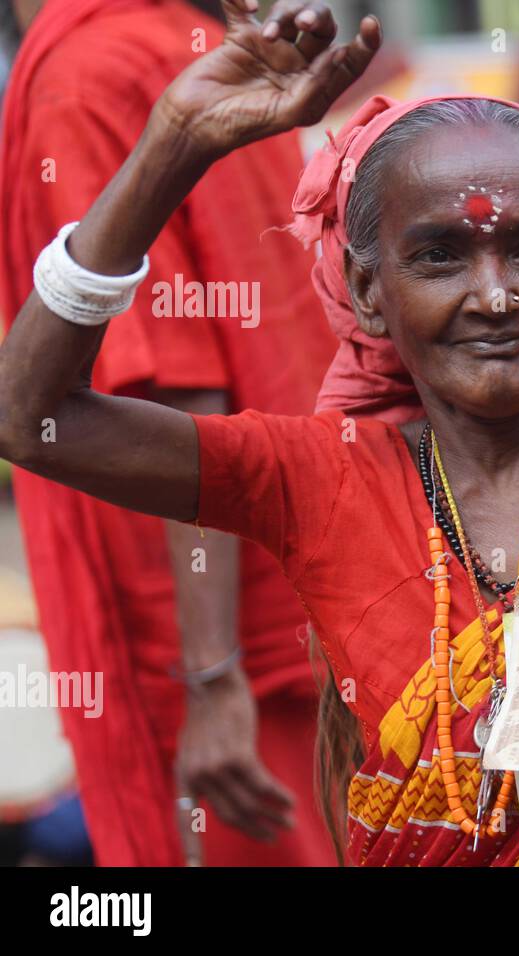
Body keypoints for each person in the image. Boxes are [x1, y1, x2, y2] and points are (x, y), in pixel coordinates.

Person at [0, 0, 519, 867]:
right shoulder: (316, 478)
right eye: (439, 256)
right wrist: (174, 142)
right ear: (367, 292)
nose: (495, 295)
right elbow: (31, 420)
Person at [0, 0, 338, 865]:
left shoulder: (87, 76)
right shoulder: (186, 49)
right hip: (302, 570)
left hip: (217, 634)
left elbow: (178, 384)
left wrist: (212, 677)